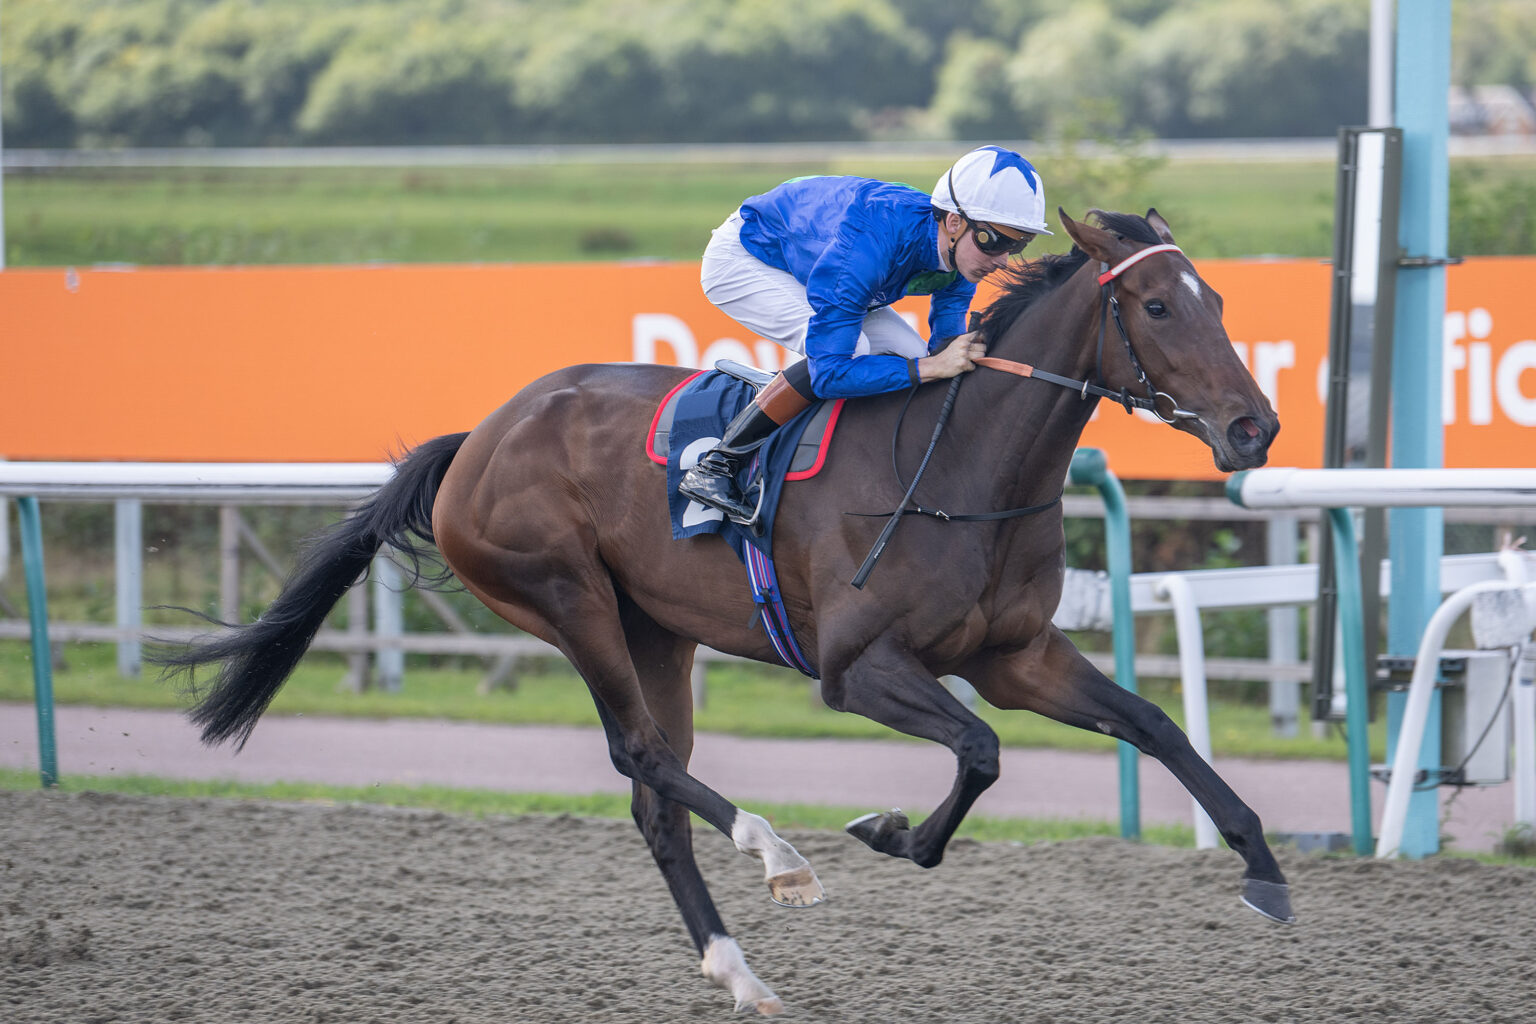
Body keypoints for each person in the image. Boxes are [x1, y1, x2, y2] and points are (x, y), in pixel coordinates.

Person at [677, 144, 1053, 525]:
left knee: (915, 355)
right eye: (997, 241)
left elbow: (943, 348)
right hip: (746, 258)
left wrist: (953, 361)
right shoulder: (873, 242)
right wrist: (929, 367)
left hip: (824, 261)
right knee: (855, 350)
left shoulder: (962, 256)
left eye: (1019, 244)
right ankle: (718, 465)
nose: (1004, 259)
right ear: (954, 223)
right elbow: (829, 373)